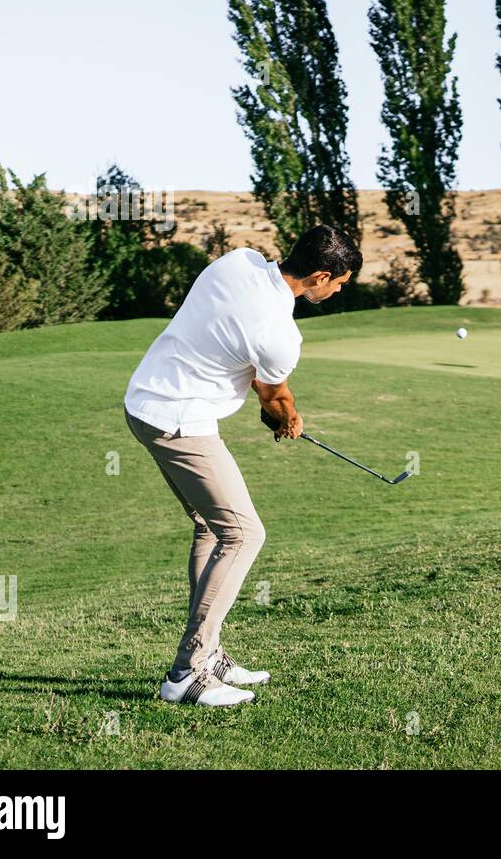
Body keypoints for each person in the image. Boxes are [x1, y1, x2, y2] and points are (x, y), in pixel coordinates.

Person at [123, 224, 361, 706]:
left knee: (212, 528)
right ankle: (187, 674)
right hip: (178, 421)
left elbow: (239, 353)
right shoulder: (280, 333)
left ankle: (209, 653)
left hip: (145, 402)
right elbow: (274, 396)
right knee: (244, 533)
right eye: (338, 282)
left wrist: (273, 406)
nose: (337, 290)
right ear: (319, 275)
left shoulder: (239, 261)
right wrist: (287, 420)